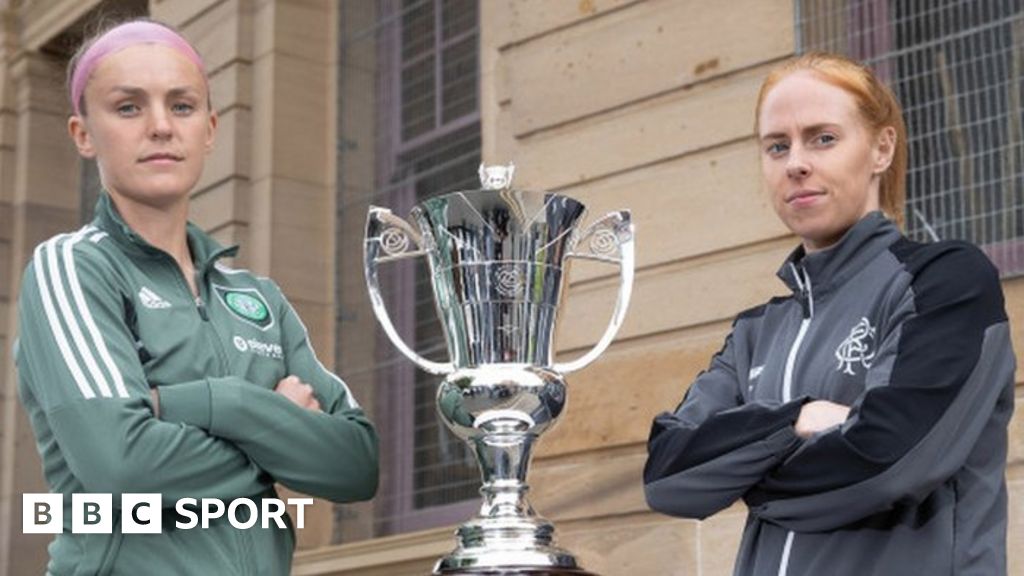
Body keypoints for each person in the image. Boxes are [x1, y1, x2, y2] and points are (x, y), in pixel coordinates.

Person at [14, 19, 378, 575]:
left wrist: (220, 404)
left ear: (210, 129)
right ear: (83, 134)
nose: (161, 126)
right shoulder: (71, 267)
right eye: (129, 107)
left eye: (181, 106)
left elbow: (356, 466)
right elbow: (122, 465)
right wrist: (277, 428)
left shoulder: (256, 298)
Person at [643, 52, 1015, 575]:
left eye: (823, 138)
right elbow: (666, 475)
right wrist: (794, 420)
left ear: (881, 148)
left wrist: (742, 475)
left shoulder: (944, 282)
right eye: (777, 145)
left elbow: (888, 462)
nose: (795, 162)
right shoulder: (756, 331)